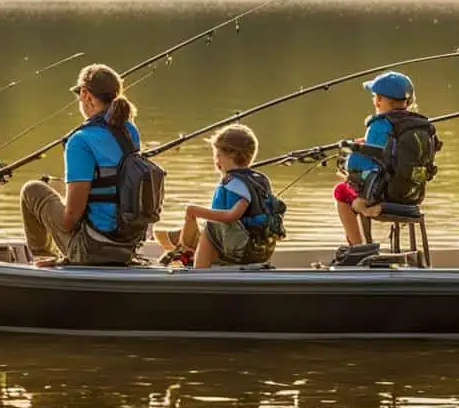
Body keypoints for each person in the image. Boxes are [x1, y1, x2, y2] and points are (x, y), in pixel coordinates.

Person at [19, 64, 146, 266]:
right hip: (127, 247)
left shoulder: (80, 141)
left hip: (91, 251)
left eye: (79, 95)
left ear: (86, 95)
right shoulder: (131, 131)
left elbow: (69, 221)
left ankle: (43, 257)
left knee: (32, 190)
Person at [156, 123, 285, 268]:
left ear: (233, 155)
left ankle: (197, 267)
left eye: (218, 155)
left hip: (241, 248)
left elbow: (232, 216)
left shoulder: (235, 184)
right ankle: (183, 246)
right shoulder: (260, 180)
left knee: (210, 226)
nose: (216, 160)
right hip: (259, 248)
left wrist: (195, 211)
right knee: (209, 225)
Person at [334, 71, 416, 246]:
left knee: (341, 192)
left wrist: (351, 157)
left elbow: (364, 165)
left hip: (383, 195)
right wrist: (366, 146)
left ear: (378, 100)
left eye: (374, 96)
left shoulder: (378, 125)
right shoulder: (414, 126)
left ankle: (358, 247)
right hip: (411, 194)